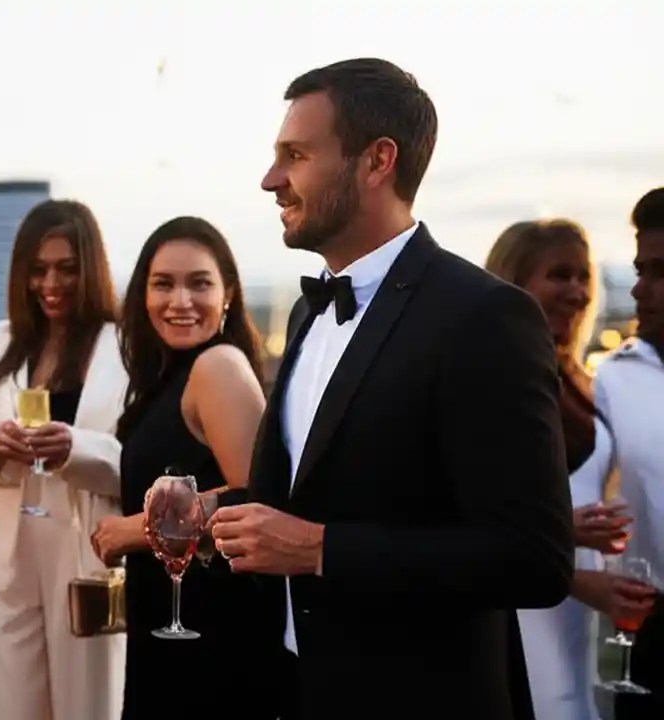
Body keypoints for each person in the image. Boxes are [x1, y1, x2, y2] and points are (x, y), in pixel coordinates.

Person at [211, 58, 574, 720]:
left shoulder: (485, 317)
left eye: (295, 155)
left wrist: (321, 550)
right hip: (298, 692)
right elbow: (310, 495)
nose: (271, 180)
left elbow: (534, 559)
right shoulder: (306, 313)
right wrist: (211, 508)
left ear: (377, 161)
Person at [92, 216, 281, 719]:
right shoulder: (168, 375)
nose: (180, 301)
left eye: (199, 283)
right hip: (169, 623)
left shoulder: (217, 366)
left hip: (214, 634)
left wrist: (132, 532)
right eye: (163, 284)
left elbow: (259, 501)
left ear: (228, 294)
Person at [0, 199, 126, 720]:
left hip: (88, 556)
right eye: (39, 269)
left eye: (68, 269)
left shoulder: (125, 344)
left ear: (91, 269)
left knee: (90, 707)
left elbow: (142, 459)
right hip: (8, 558)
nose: (51, 283)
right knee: (6, 707)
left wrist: (76, 448)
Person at [486, 219, 655, 720]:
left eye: (583, 277)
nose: (577, 292)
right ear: (514, 283)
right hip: (529, 603)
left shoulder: (580, 377)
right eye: (559, 276)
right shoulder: (493, 378)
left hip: (582, 606)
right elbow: (478, 513)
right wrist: (573, 563)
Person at [595, 187, 664, 699]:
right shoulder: (610, 381)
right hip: (654, 634)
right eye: (642, 272)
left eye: (661, 274)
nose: (641, 291)